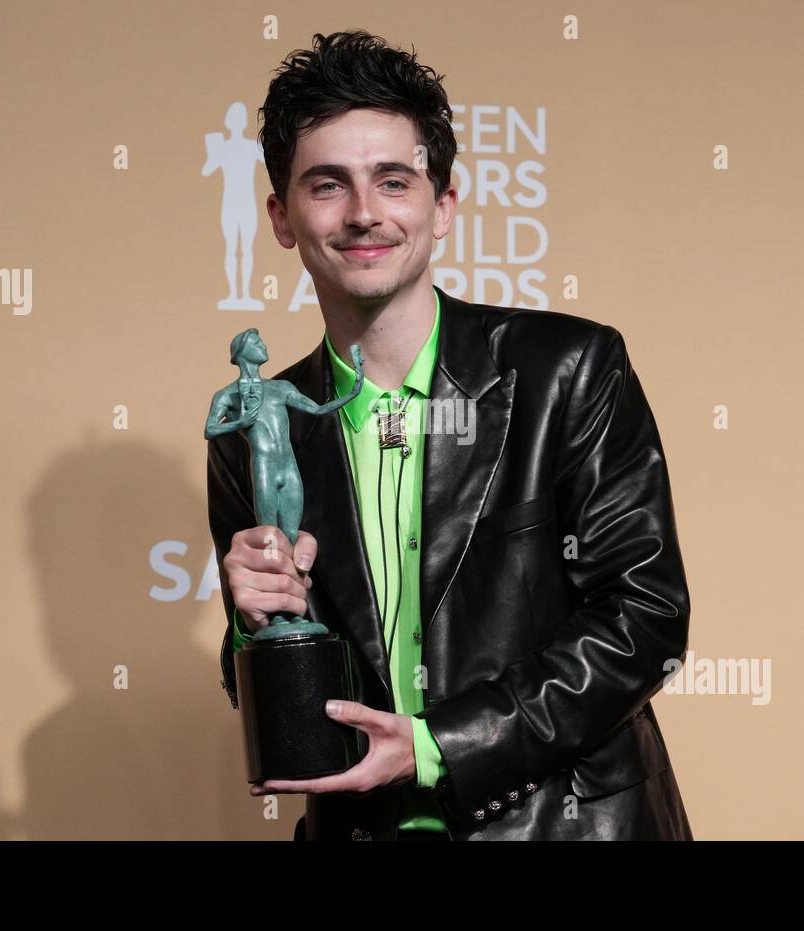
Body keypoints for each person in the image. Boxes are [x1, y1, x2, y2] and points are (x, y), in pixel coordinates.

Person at [207, 29, 693, 841]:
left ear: (444, 207)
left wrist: (434, 745)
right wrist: (250, 623)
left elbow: (644, 620)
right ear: (282, 217)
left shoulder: (567, 370)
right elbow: (269, 679)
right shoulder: (259, 421)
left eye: (393, 181)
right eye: (327, 185)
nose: (364, 213)